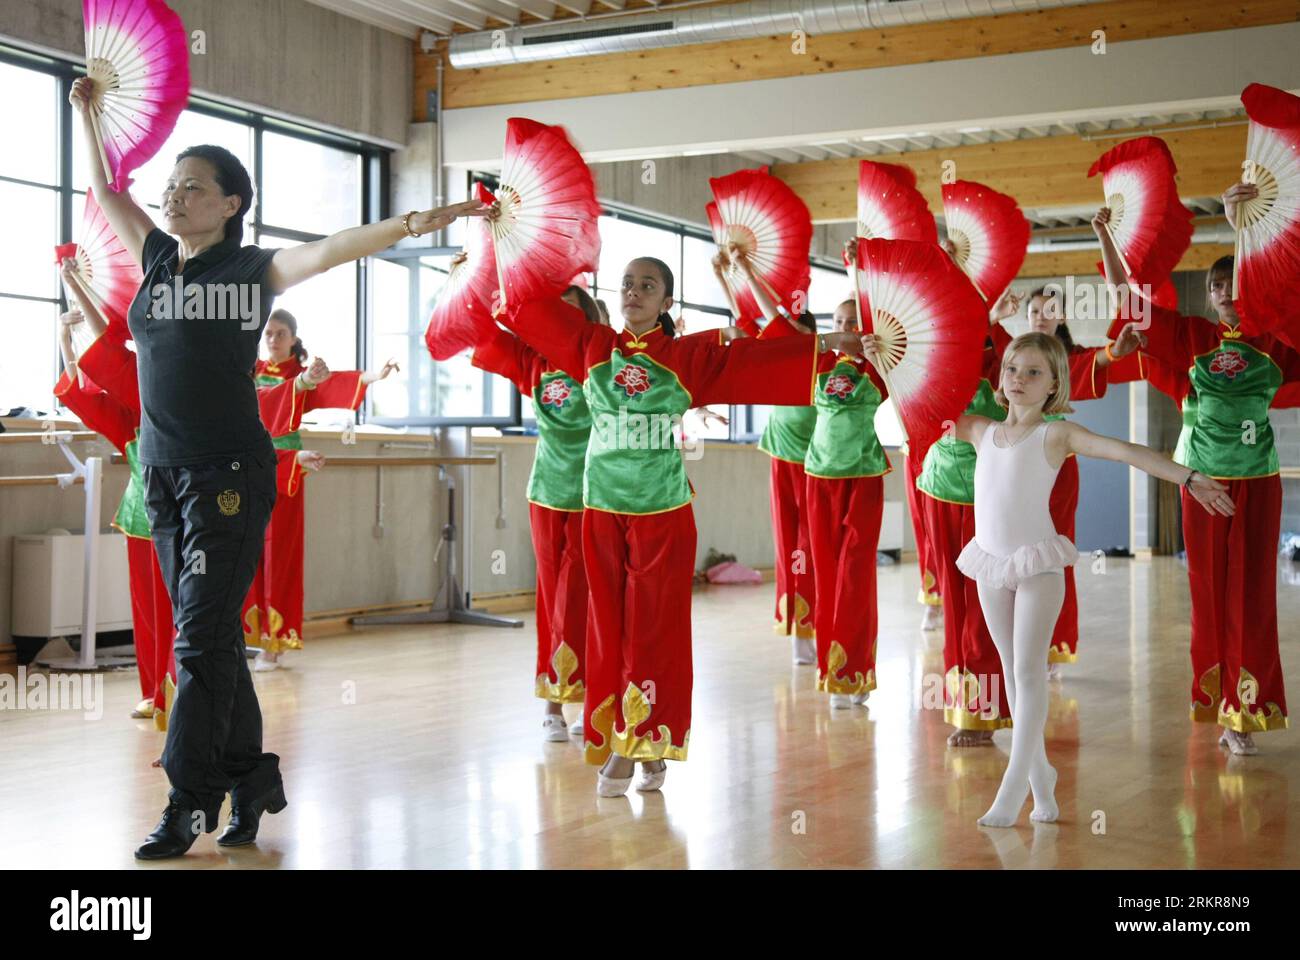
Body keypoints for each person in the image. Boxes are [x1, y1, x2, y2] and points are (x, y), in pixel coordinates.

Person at [70, 76, 488, 859]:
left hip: (227, 474)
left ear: (231, 204)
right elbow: (103, 186)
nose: (175, 196)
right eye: (172, 185)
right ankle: (254, 777)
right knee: (216, 637)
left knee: (196, 641)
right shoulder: (158, 260)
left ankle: (187, 802)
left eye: (194, 187)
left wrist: (410, 222)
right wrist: (87, 115)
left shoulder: (251, 270)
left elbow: (330, 250)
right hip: (159, 473)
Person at [505, 253, 865, 797]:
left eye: (647, 285)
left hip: (662, 513)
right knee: (607, 625)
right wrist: (503, 245)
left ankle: (640, 744)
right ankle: (629, 740)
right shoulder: (592, 346)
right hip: (599, 509)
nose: (633, 292)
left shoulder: (686, 356)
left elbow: (755, 357)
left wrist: (836, 346)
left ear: (666, 301)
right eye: (627, 284)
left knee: (655, 629)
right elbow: (526, 308)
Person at [893, 330, 1232, 826]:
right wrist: (890, 362)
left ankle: (1012, 791)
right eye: (1012, 369)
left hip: (1038, 567)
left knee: (1029, 673)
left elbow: (1125, 450)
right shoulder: (976, 429)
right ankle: (1041, 778)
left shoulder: (1057, 435)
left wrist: (1190, 477)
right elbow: (912, 410)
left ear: (1054, 385)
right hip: (989, 562)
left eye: (1033, 373)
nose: (1018, 380)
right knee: (1010, 675)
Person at [1100, 189, 1300, 755]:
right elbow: (1127, 297)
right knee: (1207, 589)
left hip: (1258, 480)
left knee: (1254, 592)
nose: (1227, 297)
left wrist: (1251, 226)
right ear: (1209, 297)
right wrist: (1104, 236)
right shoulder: (1190, 337)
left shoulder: (1275, 339)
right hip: (1200, 480)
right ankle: (1218, 705)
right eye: (1217, 288)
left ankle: (1248, 709)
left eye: (1237, 288)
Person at [471, 284, 605, 741]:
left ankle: (595, 702)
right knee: (551, 598)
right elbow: (481, 331)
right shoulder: (533, 364)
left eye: (567, 316)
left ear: (586, 322)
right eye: (549, 316)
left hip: (599, 493)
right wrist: (474, 281)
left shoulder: (602, 364)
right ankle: (552, 703)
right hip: (547, 491)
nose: (556, 325)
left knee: (593, 598)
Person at [245, 308, 398, 671]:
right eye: (268, 333)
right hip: (248, 461)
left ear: (293, 339)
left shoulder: (302, 376)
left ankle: (275, 641)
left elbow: (335, 384)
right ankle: (250, 633)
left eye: (281, 334)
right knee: (247, 550)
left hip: (287, 463)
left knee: (279, 550)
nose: (273, 339)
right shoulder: (249, 371)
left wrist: (373, 376)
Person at [53, 286, 175, 732]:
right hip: (140, 517)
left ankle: (180, 692)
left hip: (182, 519)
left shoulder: (175, 393)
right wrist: (66, 340)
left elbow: (111, 353)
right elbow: (87, 395)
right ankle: (153, 692)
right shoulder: (132, 416)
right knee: (146, 612)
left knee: (181, 613)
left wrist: (78, 291)